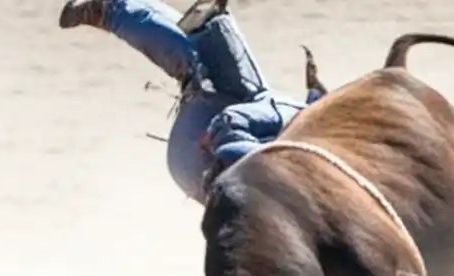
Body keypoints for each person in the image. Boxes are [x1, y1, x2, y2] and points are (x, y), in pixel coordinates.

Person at [57, 0, 326, 202]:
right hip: (204, 160)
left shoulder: (286, 124)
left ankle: (110, 11)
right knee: (206, 56)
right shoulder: (299, 126)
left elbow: (232, 128)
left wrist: (225, 144)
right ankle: (111, 11)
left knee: (205, 64)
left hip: (197, 151)